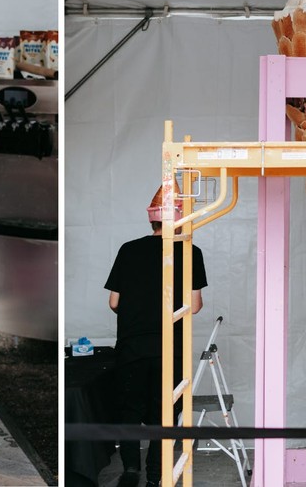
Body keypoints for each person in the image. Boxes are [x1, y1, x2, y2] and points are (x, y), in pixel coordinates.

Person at [103, 184, 206, 487]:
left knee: (130, 411)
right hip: (170, 349)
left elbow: (114, 302)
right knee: (164, 415)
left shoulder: (128, 249)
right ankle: (155, 478)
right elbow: (194, 306)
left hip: (132, 347)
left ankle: (130, 470)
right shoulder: (190, 252)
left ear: (152, 220)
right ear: (180, 219)